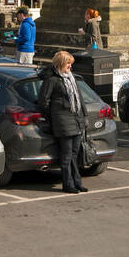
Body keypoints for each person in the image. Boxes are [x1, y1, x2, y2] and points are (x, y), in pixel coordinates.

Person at [38, 51, 87, 194]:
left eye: (71, 63)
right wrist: (54, 114)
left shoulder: (71, 78)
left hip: (76, 119)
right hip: (62, 121)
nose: (70, 66)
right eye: (68, 63)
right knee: (66, 155)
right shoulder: (52, 79)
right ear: (60, 63)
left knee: (74, 154)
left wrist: (84, 116)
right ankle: (68, 184)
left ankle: (77, 183)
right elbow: (43, 101)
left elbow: (80, 98)